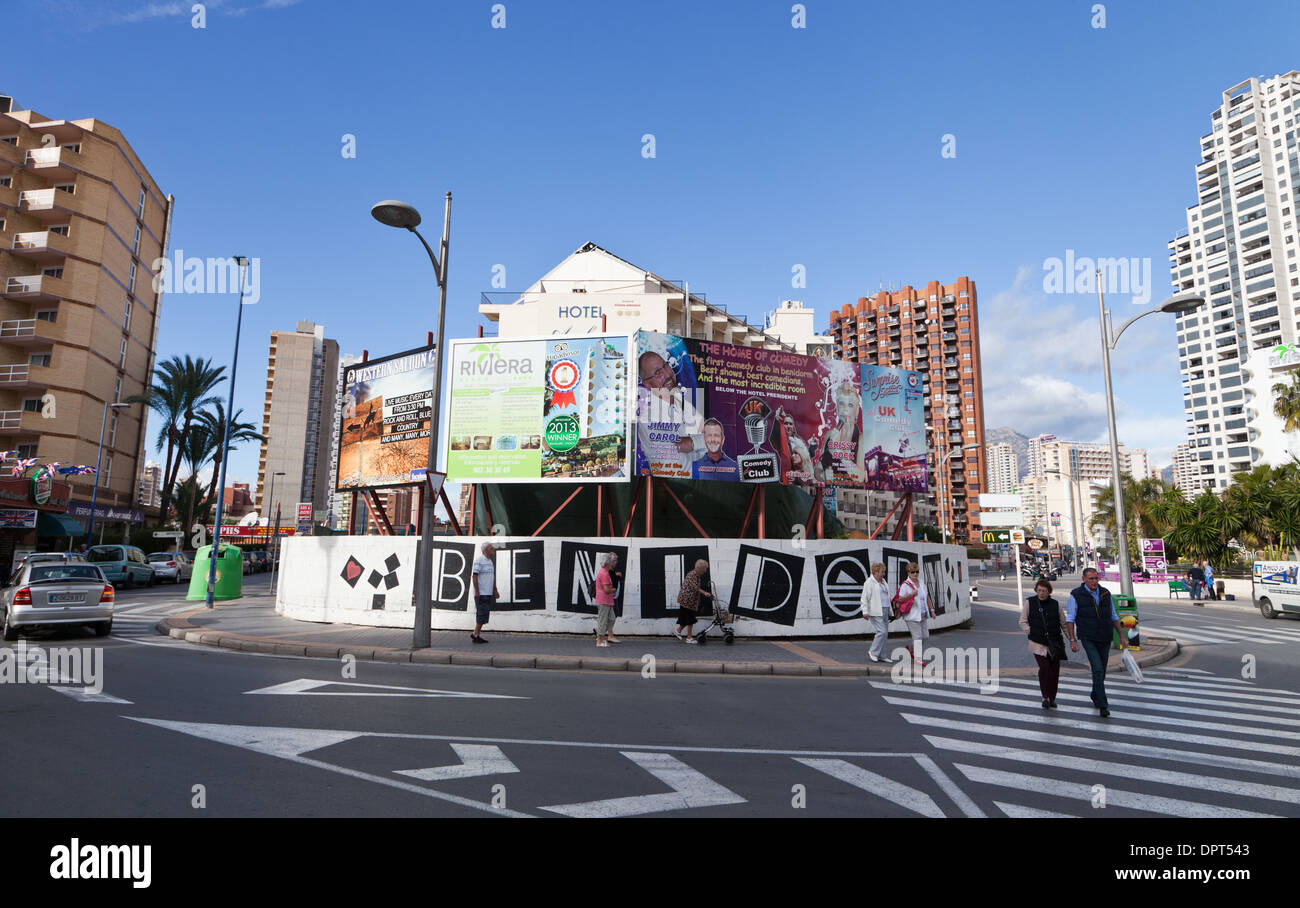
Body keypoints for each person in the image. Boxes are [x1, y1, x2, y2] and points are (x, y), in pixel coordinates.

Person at [1065, 567, 1129, 717]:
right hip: (1088, 637)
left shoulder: (1106, 593)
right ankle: (1103, 705)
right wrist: (1072, 640)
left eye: (1096, 578)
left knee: (1102, 671)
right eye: (1090, 579)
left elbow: (1114, 616)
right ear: (1084, 579)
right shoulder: (1075, 595)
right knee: (1098, 668)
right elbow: (1070, 619)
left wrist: (1122, 636)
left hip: (1105, 636)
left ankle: (1095, 694)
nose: (1094, 581)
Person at [636, 351, 705, 478]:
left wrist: (692, 443)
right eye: (657, 373)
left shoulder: (679, 400)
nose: (667, 374)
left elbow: (715, 436)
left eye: (665, 366)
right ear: (647, 384)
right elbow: (680, 469)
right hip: (677, 488)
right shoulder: (649, 418)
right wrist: (700, 443)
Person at [1020, 579, 1068, 708]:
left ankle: (1052, 698)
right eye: (1039, 590)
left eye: (1044, 591)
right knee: (1045, 667)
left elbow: (1063, 623)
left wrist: (1072, 639)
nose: (1041, 593)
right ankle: (1045, 697)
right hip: (1037, 642)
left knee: (1054, 671)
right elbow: (1023, 621)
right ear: (1036, 591)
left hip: (1054, 642)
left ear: (1049, 592)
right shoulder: (1030, 602)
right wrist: (1031, 632)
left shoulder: (1055, 604)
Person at [895, 562, 936, 666]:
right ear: (908, 572)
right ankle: (918, 659)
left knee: (925, 636)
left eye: (917, 571)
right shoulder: (905, 585)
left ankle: (911, 649)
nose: (915, 574)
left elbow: (927, 597)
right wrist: (911, 594)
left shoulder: (921, 582)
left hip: (922, 614)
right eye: (912, 572)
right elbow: (900, 599)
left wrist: (932, 610)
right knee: (917, 637)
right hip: (912, 615)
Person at [859, 561, 894, 664]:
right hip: (875, 611)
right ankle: (873, 652)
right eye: (882, 572)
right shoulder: (869, 582)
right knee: (881, 632)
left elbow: (887, 597)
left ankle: (882, 655)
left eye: (884, 572)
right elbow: (864, 598)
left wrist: (890, 611)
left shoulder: (883, 582)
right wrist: (865, 611)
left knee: (885, 634)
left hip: (885, 609)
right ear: (875, 572)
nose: (884, 574)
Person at [675, 559, 711, 643]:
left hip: (686, 600)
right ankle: (689, 638)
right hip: (687, 601)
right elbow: (694, 587)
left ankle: (678, 631)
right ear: (700, 568)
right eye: (704, 569)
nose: (705, 571)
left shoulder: (695, 575)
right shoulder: (693, 575)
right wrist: (704, 593)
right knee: (690, 619)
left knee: (685, 618)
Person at [470, 542, 498, 644]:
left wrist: (495, 589)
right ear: (485, 550)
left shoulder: (490, 561)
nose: (493, 550)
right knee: (481, 614)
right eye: (491, 548)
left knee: (484, 614)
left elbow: (492, 577)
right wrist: (477, 591)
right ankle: (475, 634)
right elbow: (474, 576)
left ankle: (476, 634)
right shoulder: (479, 561)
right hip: (481, 593)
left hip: (488, 592)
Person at [594, 552, 620, 647]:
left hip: (608, 600)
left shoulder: (606, 573)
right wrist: (613, 590)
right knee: (602, 620)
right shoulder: (604, 574)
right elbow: (606, 590)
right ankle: (600, 641)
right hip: (603, 600)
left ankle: (600, 633)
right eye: (612, 561)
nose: (614, 563)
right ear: (608, 563)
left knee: (611, 619)